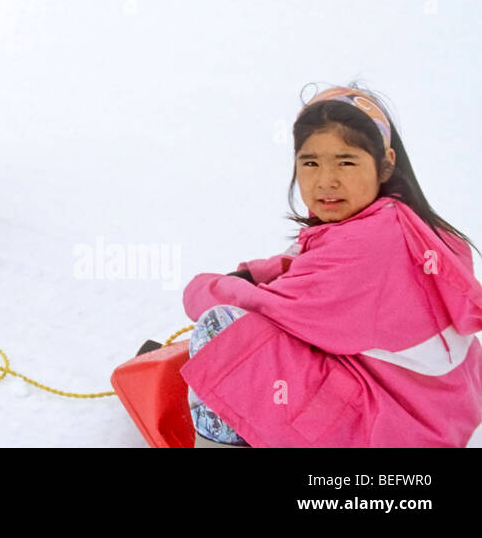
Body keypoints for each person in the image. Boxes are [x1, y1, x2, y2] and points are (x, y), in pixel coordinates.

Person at [181, 85, 482, 447]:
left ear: (385, 163)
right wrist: (255, 272)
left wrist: (205, 287)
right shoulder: (404, 221)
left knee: (222, 326)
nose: (326, 181)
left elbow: (260, 306)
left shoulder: (364, 245)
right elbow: (310, 262)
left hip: (393, 428)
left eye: (346, 162)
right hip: (437, 415)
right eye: (311, 163)